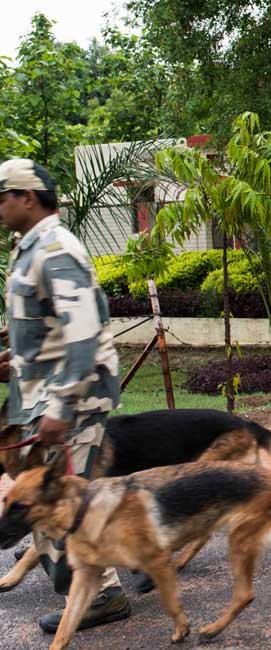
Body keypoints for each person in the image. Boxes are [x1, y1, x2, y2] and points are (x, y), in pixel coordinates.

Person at [0, 158, 129, 633]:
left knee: (59, 503)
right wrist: (16, 359)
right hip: (48, 393)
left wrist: (60, 406)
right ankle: (96, 584)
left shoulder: (55, 249)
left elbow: (81, 334)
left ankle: (104, 594)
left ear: (27, 198)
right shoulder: (31, 246)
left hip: (70, 400)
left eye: (3, 196)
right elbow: (48, 327)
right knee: (46, 502)